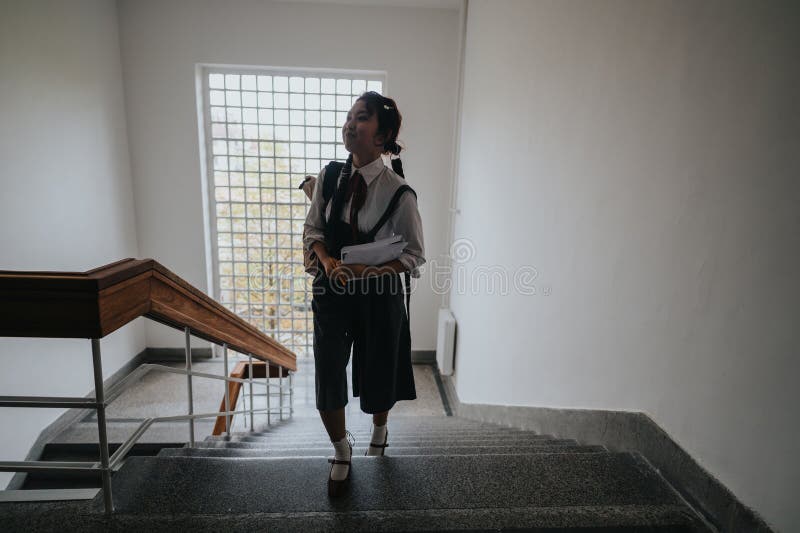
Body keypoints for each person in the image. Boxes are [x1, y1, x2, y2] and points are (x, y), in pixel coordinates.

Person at [303, 91, 425, 497]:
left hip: (379, 297)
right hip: (332, 292)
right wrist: (326, 260)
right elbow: (313, 232)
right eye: (350, 116)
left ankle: (380, 428)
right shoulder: (329, 177)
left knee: (379, 369)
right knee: (328, 373)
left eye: (362, 118)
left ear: (382, 135)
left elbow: (413, 255)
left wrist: (367, 270)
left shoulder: (399, 193)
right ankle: (341, 449)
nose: (351, 123)